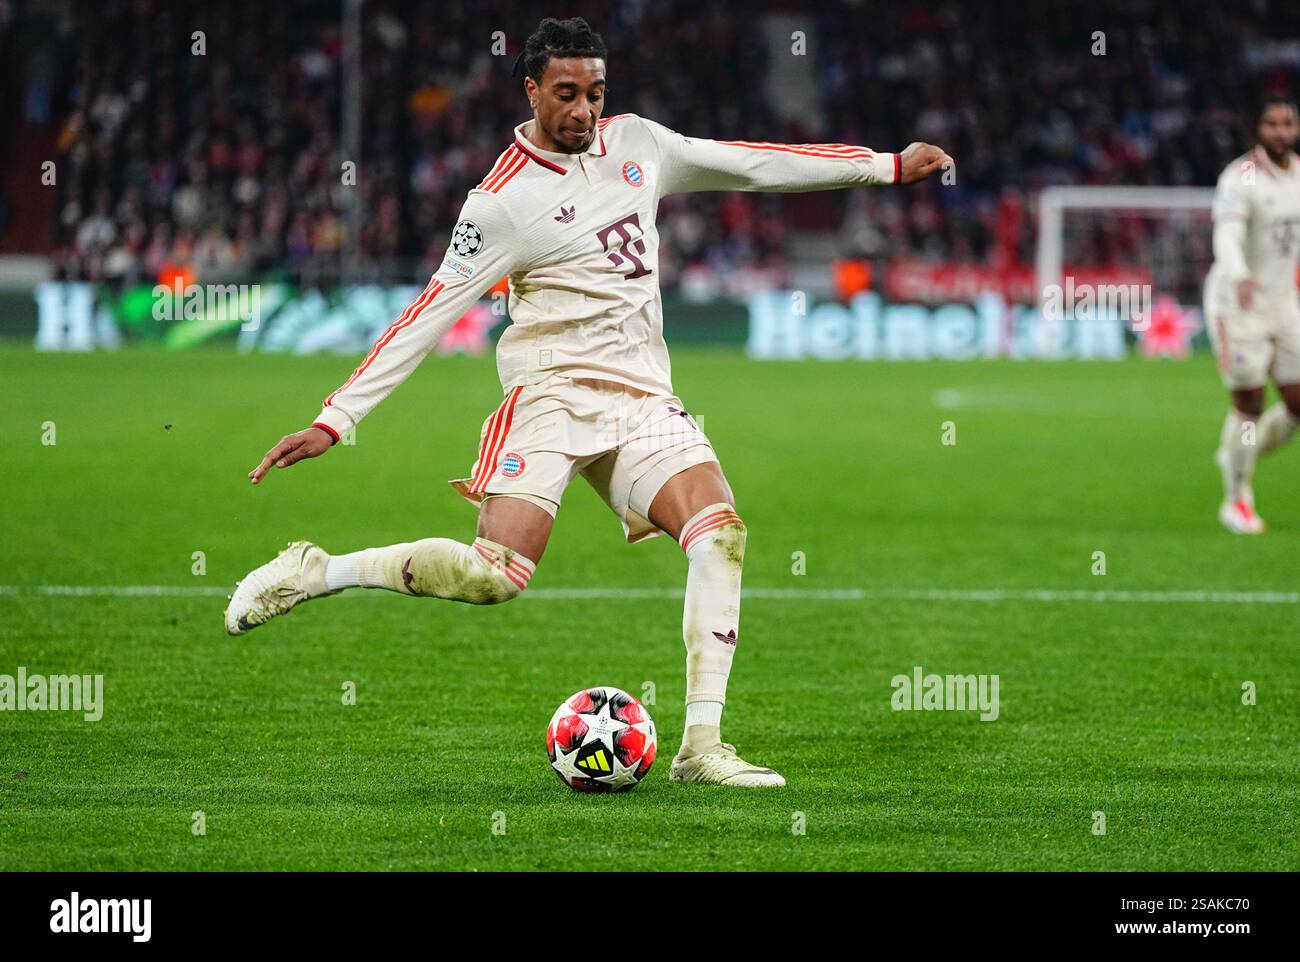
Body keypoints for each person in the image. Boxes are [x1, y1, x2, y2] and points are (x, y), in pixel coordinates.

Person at [226, 16, 951, 787]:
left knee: (721, 535)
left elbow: (748, 163)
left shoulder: (639, 144)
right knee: (492, 578)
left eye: (595, 94)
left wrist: (885, 166)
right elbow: (429, 312)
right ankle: (318, 570)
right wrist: (335, 419)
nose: (582, 110)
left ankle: (701, 747)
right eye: (566, 94)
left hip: (642, 397)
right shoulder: (498, 204)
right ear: (531, 89)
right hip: (551, 395)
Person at [1207, 95, 1300, 534]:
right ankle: (1237, 499)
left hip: (1285, 302)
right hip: (1237, 301)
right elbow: (1226, 234)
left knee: (1298, 403)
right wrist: (1240, 275)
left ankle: (1236, 454)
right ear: (1258, 129)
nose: (1280, 131)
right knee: (1250, 403)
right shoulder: (1239, 176)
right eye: (1272, 123)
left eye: (1287, 123)